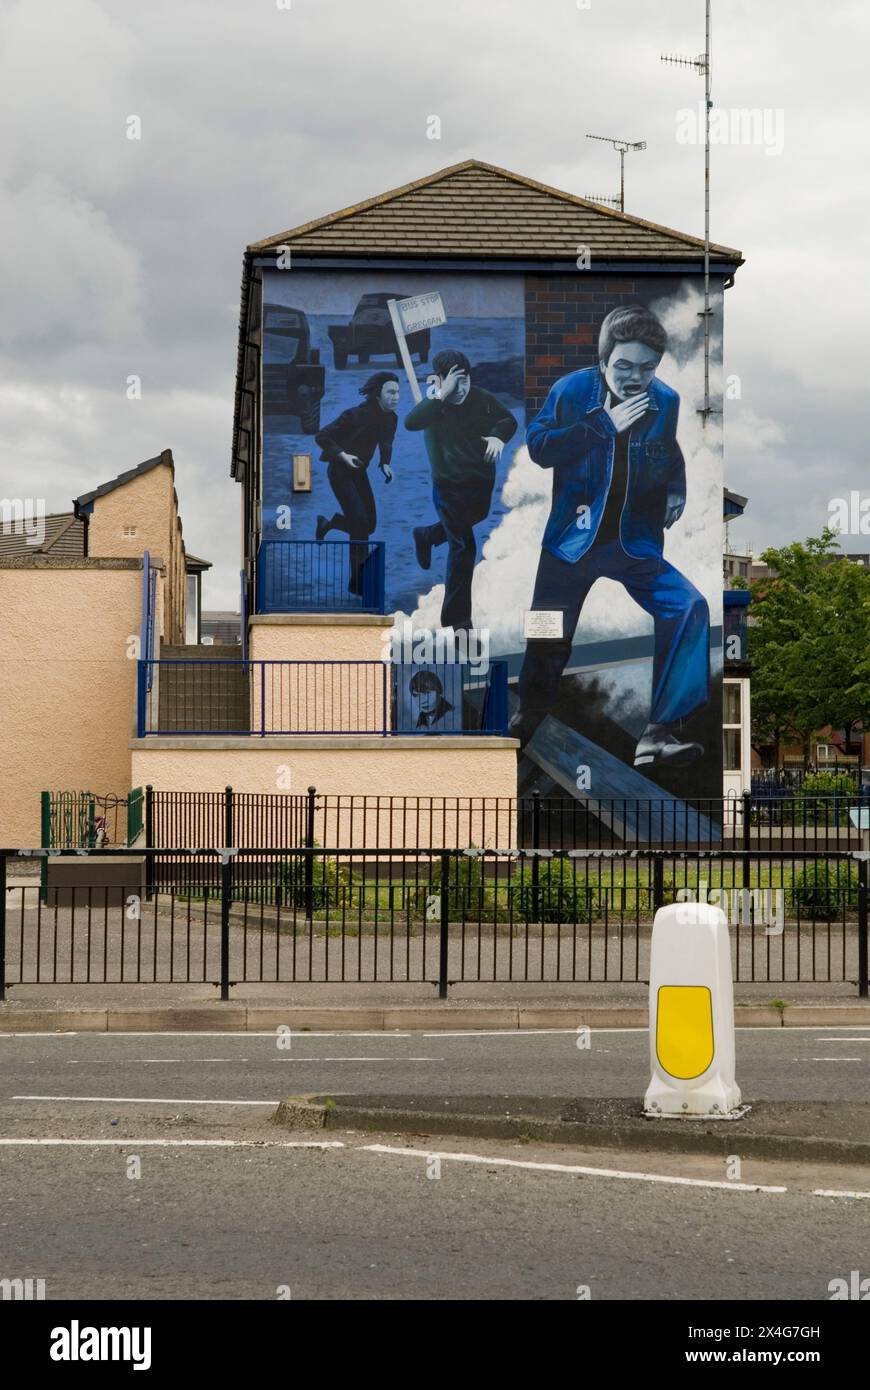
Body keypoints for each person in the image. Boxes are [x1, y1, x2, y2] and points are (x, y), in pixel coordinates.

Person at [512, 305, 709, 770]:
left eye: (646, 367)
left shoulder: (667, 401)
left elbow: (668, 450)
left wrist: (677, 486)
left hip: (631, 544)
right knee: (547, 637)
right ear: (603, 362)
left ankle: (658, 734)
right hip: (570, 543)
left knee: (690, 606)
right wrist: (603, 424)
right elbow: (539, 447)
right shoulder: (572, 389)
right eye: (624, 367)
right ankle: (527, 722)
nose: (635, 378)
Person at [405, 349, 517, 632]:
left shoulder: (481, 399)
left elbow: (508, 420)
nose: (462, 387)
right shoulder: (434, 405)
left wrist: (497, 435)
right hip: (448, 487)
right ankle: (457, 622)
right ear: (442, 381)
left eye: (465, 379)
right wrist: (442, 394)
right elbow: (411, 422)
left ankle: (428, 534)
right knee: (463, 546)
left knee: (478, 515)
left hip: (479, 484)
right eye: (455, 381)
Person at [314, 372, 400, 595]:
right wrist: (342, 455)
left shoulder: (391, 418)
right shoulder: (354, 415)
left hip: (359, 473)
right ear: (377, 395)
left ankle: (330, 524)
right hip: (339, 471)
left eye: (398, 392)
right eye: (391, 392)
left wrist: (385, 464)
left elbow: (386, 442)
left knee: (369, 525)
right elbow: (322, 436)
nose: (396, 396)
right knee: (360, 524)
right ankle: (357, 583)